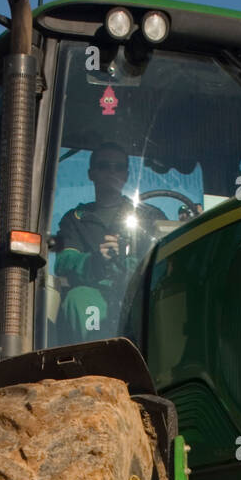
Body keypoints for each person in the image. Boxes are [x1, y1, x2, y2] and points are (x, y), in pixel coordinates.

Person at [54, 143, 164, 340]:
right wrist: (97, 260)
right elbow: (64, 261)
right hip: (96, 293)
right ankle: (97, 365)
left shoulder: (149, 216)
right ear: (91, 173)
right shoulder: (75, 219)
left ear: (127, 175)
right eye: (104, 166)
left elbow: (161, 259)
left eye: (118, 167)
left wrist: (128, 264)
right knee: (80, 299)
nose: (112, 172)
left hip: (142, 293)